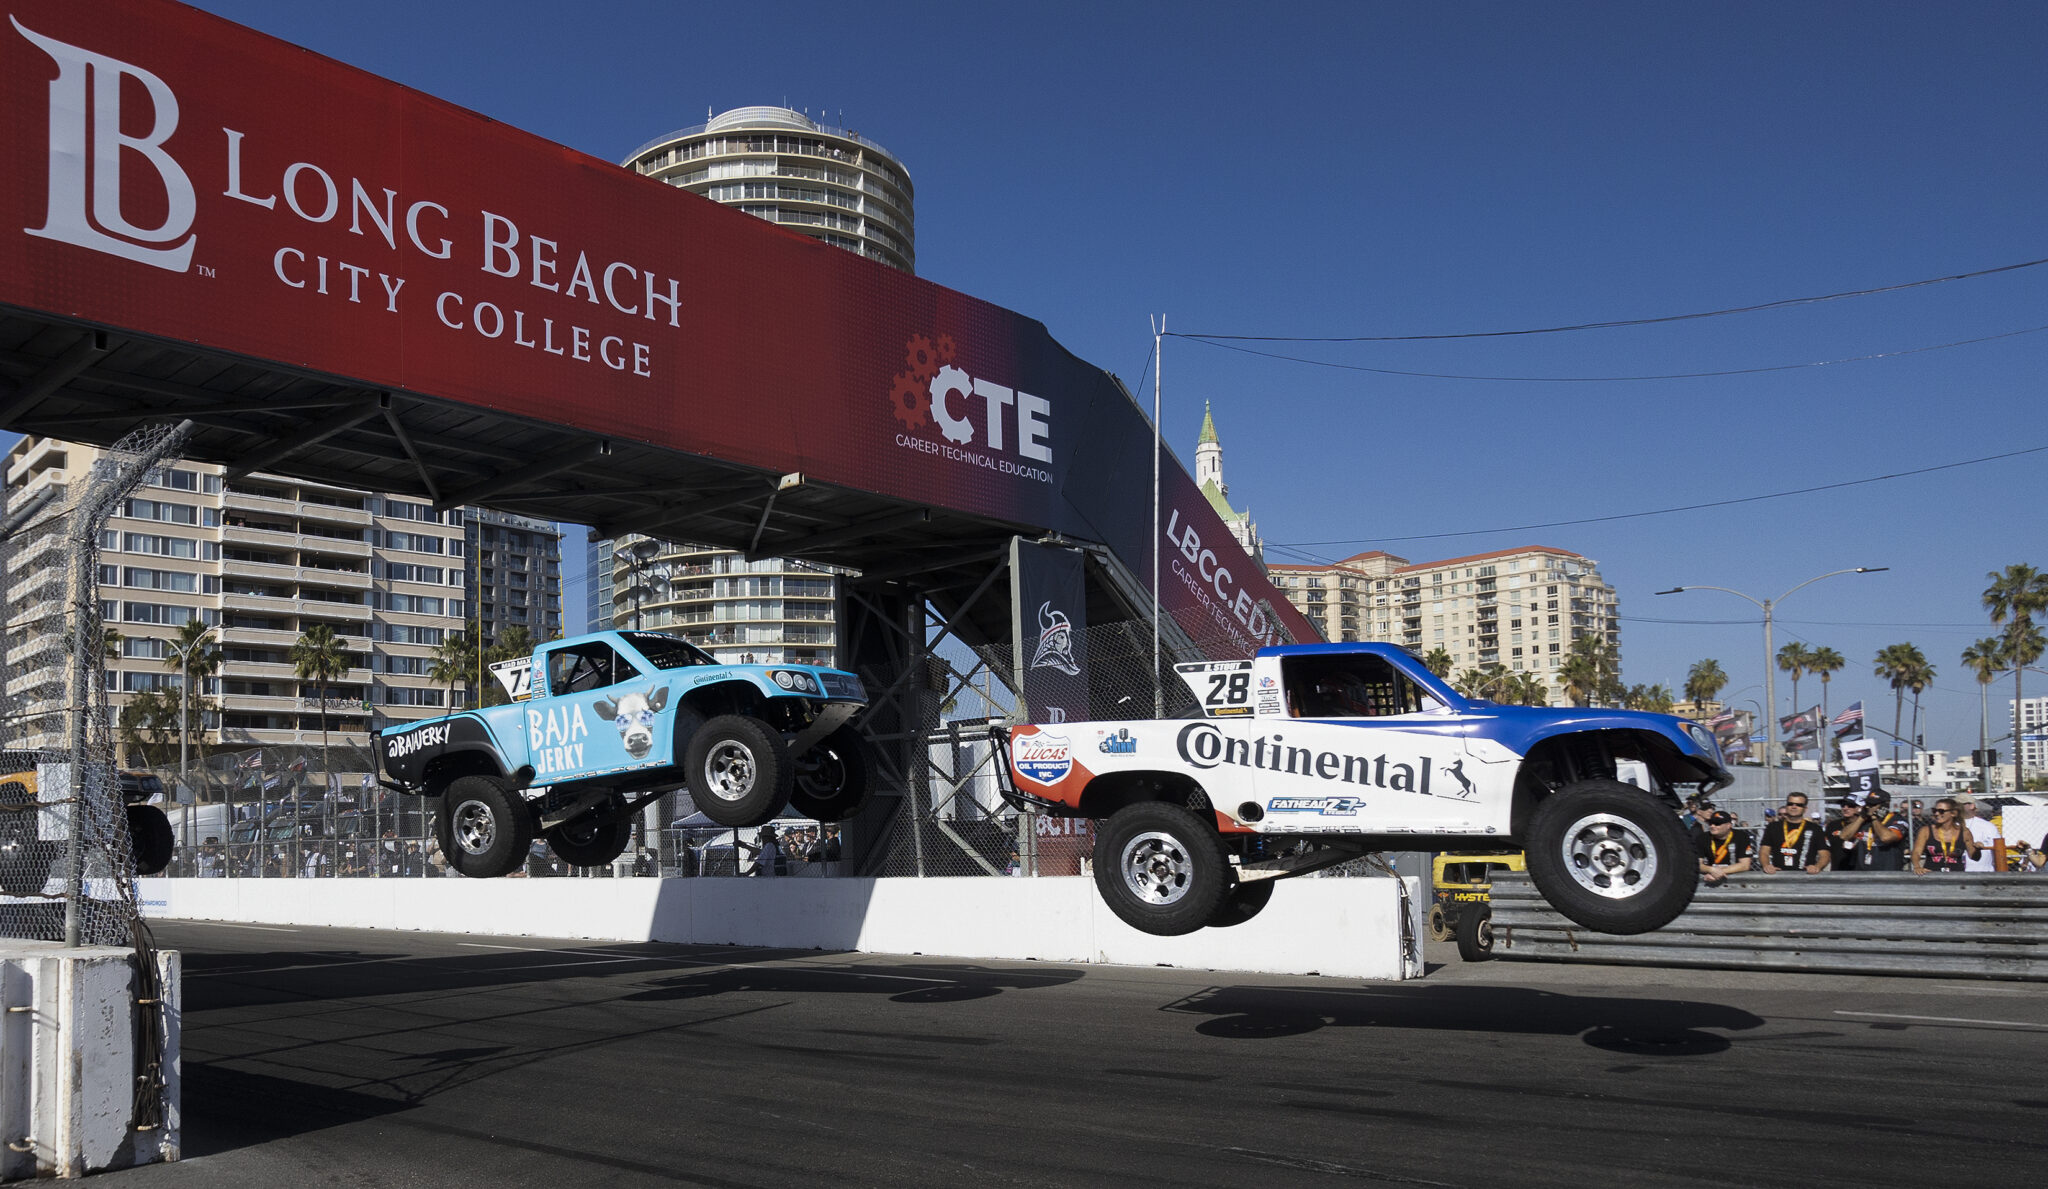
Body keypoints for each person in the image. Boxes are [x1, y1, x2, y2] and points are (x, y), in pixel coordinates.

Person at [1827, 790, 1905, 871]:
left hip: (1887, 871)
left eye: (1873, 805)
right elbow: (1844, 836)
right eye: (1868, 804)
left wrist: (1874, 818)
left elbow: (1886, 838)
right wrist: (1862, 817)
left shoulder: (1897, 820)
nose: (1869, 807)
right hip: (1863, 872)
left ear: (1885, 805)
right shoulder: (1864, 821)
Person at [1759, 794, 1829, 874]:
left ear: (1805, 809)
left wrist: (1817, 867)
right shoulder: (1773, 827)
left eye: (1799, 805)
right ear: (1786, 806)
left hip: (1806, 875)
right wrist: (1766, 865)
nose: (1794, 807)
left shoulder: (1815, 828)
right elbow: (1764, 851)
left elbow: (1825, 854)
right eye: (1790, 804)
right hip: (1778, 874)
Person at [1912, 799, 1982, 874]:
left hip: (1956, 876)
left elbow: (1975, 858)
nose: (1936, 813)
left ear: (1953, 813)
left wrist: (1977, 849)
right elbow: (1916, 852)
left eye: (1941, 811)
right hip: (1932, 875)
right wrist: (1917, 867)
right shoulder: (1926, 831)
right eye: (1934, 810)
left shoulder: (1965, 832)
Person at [1695, 811, 1752, 886]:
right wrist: (1711, 870)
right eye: (1710, 823)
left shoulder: (1741, 836)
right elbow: (1697, 864)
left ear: (1728, 825)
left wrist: (1717, 872)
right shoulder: (1702, 838)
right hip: (1710, 881)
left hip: (1736, 883)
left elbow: (1745, 865)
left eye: (1717, 824)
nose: (1712, 826)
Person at [1956, 796, 2002, 872]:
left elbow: (1998, 851)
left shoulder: (1987, 826)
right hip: (1956, 874)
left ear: (1972, 806)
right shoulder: (1950, 825)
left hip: (1983, 873)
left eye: (1959, 804)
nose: (1956, 807)